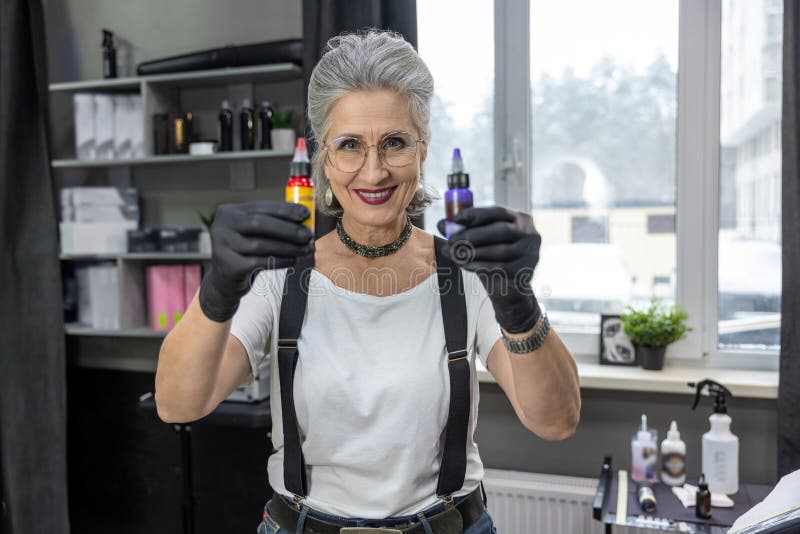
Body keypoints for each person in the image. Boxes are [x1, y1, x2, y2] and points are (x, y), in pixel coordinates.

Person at [155, 30, 580, 534]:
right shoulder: (277, 276)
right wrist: (218, 289)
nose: (373, 171)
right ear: (323, 158)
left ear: (423, 150)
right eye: (350, 145)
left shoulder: (469, 274)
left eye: (395, 143)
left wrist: (518, 304)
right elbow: (177, 403)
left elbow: (556, 421)